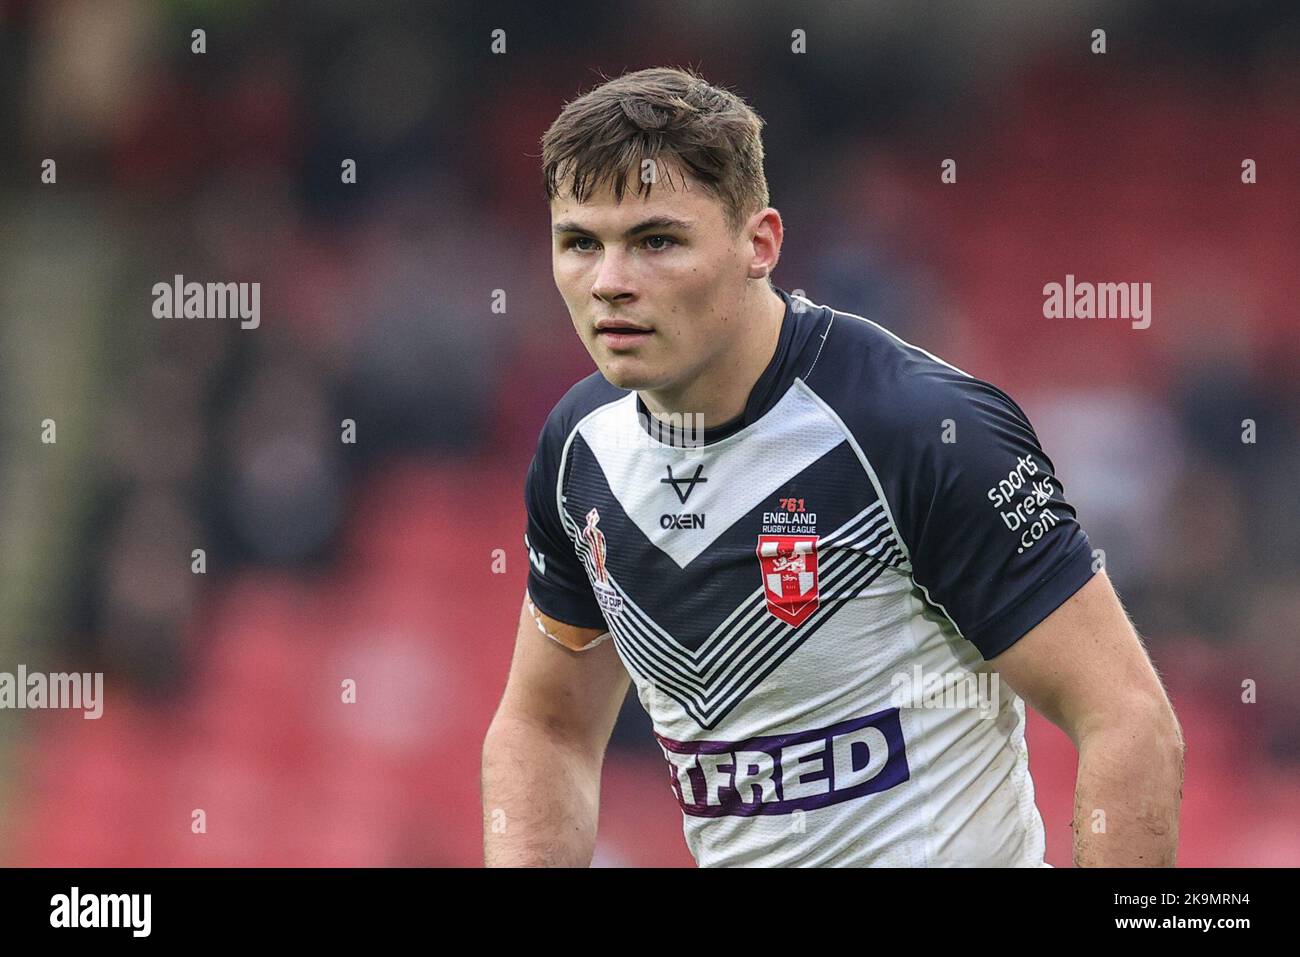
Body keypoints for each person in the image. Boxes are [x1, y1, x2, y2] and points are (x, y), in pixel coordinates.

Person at [481, 66, 1184, 867]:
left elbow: (1127, 718)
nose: (609, 282)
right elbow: (547, 727)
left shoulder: (919, 429)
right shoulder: (579, 448)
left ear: (760, 243)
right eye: (580, 243)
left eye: (656, 241)